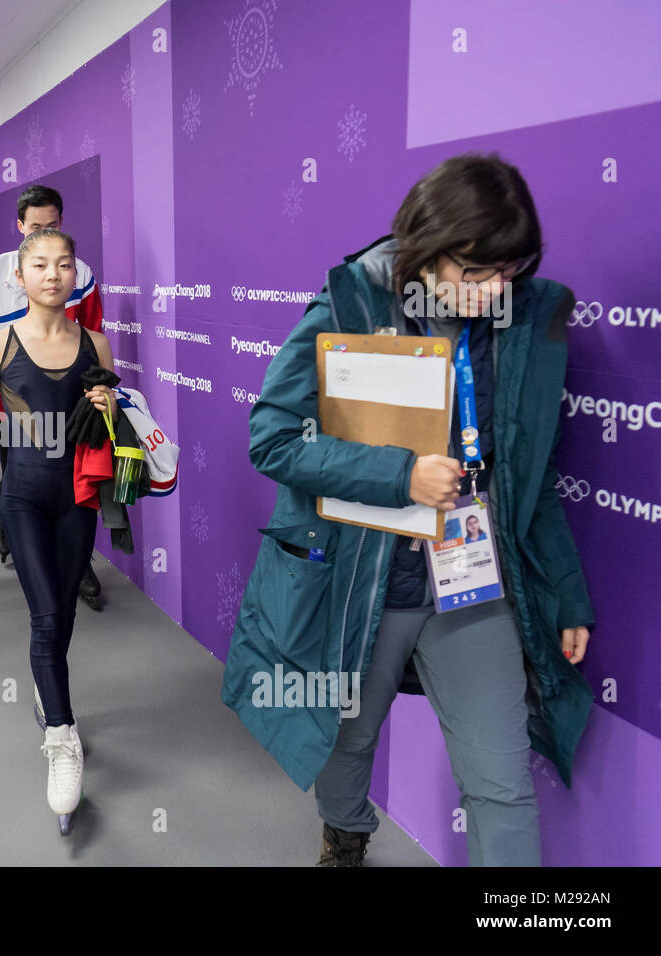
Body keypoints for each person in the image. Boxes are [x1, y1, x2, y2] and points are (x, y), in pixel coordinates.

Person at [219, 153, 594, 867]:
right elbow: (272, 439)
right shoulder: (350, 303)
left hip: (471, 584)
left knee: (502, 782)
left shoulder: (523, 323)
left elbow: (532, 477)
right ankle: (346, 832)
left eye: (509, 273)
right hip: (362, 581)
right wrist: (399, 475)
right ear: (425, 250)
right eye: (473, 272)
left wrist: (569, 595)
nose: (493, 291)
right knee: (347, 738)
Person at [0, 228, 115, 831]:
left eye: (63, 265)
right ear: (19, 276)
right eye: (39, 264)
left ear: (75, 275)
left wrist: (108, 411)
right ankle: (62, 741)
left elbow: (108, 421)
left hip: (80, 497)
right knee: (45, 616)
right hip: (22, 495)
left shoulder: (96, 343)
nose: (52, 274)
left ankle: (48, 690)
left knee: (63, 610)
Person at [0, 185, 105, 604]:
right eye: (34, 227)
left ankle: (78, 568)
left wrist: (97, 400)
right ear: (19, 227)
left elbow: (94, 341)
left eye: (51, 225)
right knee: (19, 471)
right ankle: (15, 532)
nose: (53, 274)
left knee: (75, 485)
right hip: (17, 399)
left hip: (70, 405)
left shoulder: (79, 272)